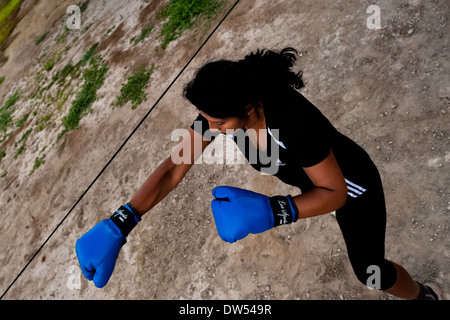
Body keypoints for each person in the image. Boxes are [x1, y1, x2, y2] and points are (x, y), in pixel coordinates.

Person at [75, 48, 442, 300]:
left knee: (369, 271)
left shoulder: (295, 123)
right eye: (207, 120)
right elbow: (174, 167)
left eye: (218, 123)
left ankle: (423, 295)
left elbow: (334, 192)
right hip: (314, 181)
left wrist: (274, 211)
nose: (211, 130)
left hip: (351, 185)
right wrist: (121, 222)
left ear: (249, 108)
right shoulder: (222, 111)